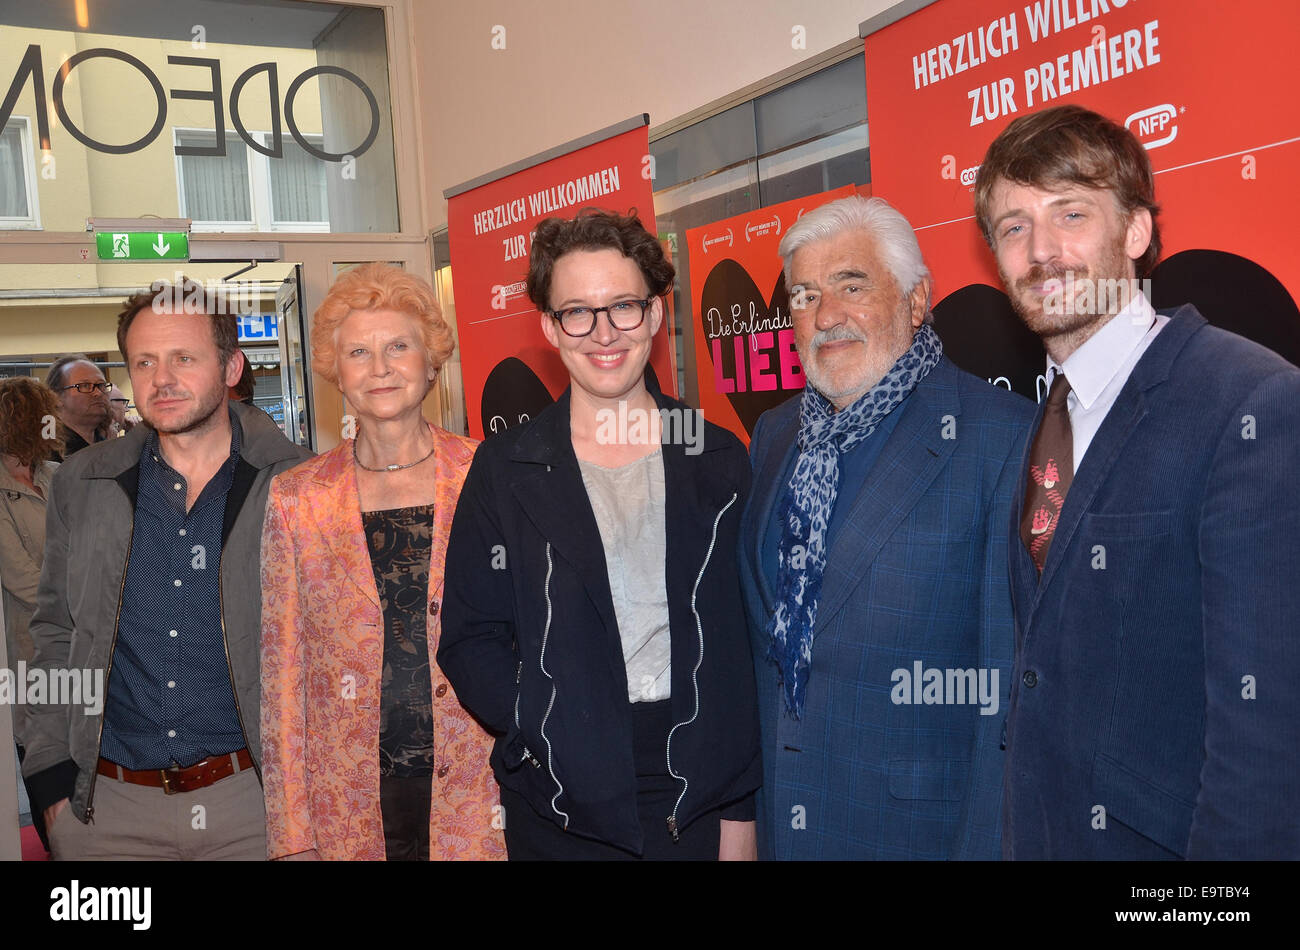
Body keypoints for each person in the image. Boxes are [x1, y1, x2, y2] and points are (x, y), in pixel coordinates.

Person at [975, 104, 1300, 859]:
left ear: (1137, 231)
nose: (1042, 251)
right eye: (1013, 226)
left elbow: (1270, 735)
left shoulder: (1249, 403)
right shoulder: (1044, 417)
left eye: (1071, 213)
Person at [439, 209, 761, 860]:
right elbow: (470, 640)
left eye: (623, 307)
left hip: (695, 799)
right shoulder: (507, 468)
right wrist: (546, 724)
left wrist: (738, 819)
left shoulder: (717, 456)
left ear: (656, 315)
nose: (603, 332)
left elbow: (744, 648)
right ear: (549, 328)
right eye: (578, 312)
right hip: (560, 806)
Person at [738, 195, 1035, 860]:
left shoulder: (1003, 439)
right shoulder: (774, 435)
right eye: (805, 295)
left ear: (917, 297)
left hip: (916, 833)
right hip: (782, 823)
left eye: (852, 284)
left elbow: (1009, 694)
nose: (826, 316)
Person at [20, 279, 312, 860]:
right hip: (105, 812)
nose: (162, 378)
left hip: (254, 805)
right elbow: (53, 632)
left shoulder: (297, 484)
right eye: (144, 361)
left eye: (184, 357)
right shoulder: (82, 483)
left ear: (231, 366)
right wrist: (50, 777)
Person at [260, 263, 504, 861]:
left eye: (398, 346)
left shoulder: (491, 475)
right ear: (335, 371)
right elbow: (281, 676)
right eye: (359, 352)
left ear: (430, 360)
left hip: (480, 789)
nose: (380, 368)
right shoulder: (298, 497)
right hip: (347, 800)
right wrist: (291, 839)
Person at [0, 377, 63, 745]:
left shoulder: (56, 476)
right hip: (29, 643)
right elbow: (19, 576)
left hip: (74, 639)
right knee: (41, 749)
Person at [44, 355, 110, 457]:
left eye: (101, 385)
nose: (98, 393)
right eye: (85, 386)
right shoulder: (48, 453)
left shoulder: (109, 447)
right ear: (56, 397)